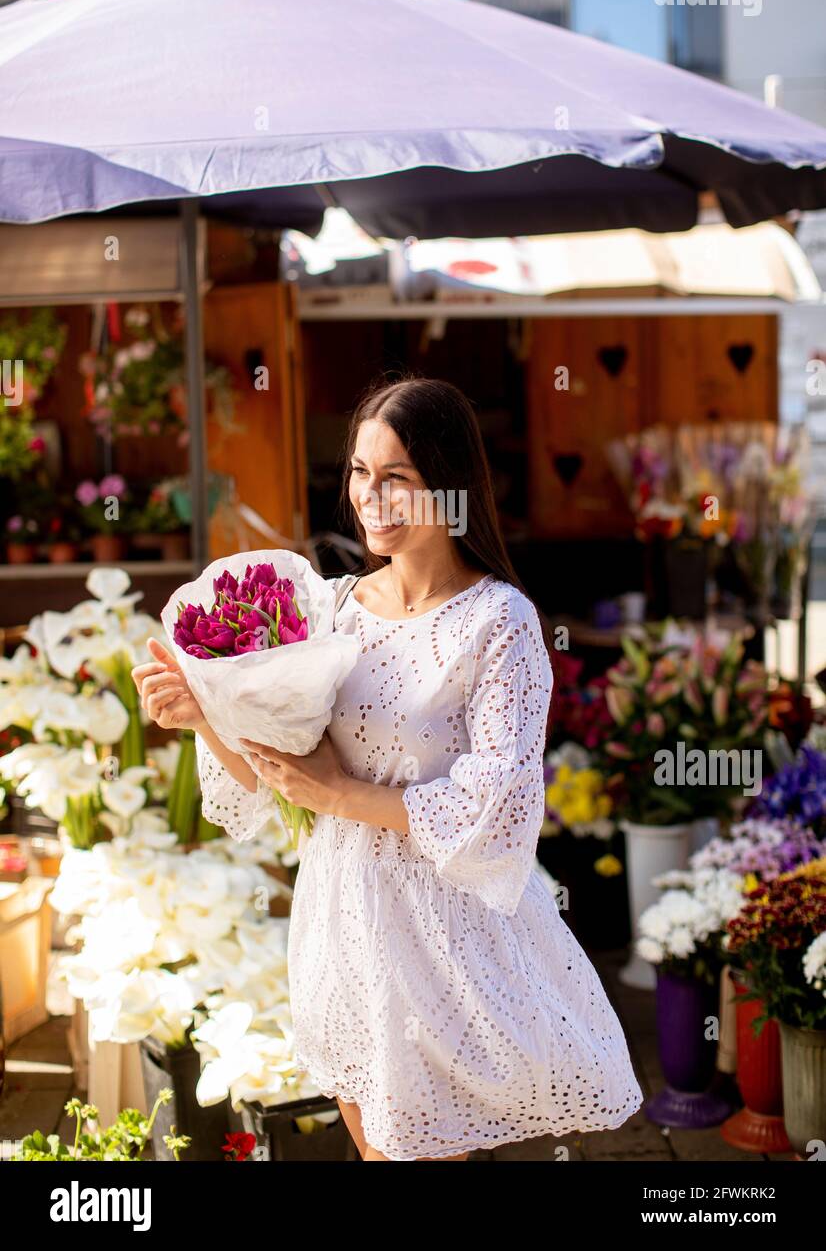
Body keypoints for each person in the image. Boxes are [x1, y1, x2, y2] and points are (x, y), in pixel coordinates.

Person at [133, 376, 643, 1162]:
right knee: (375, 1154)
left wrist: (343, 793)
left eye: (397, 477)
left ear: (451, 484)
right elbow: (276, 778)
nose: (373, 497)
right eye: (361, 473)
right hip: (343, 919)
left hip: (445, 933)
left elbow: (499, 800)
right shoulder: (332, 609)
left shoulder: (498, 621)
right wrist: (207, 712)